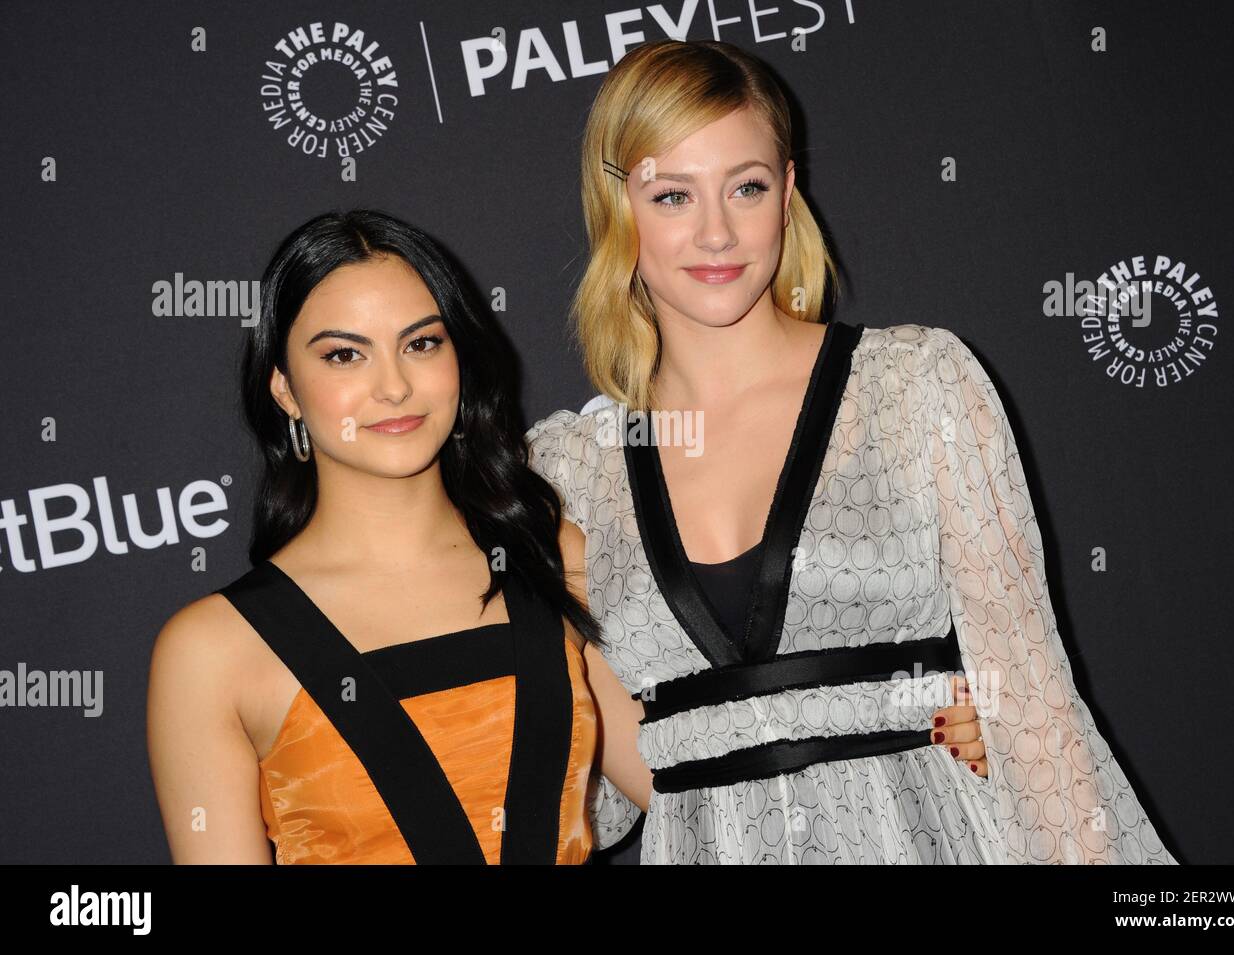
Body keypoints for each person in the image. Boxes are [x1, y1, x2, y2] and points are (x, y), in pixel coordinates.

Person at [525, 39, 1178, 863]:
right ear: (617, 205)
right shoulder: (570, 471)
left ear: (789, 191)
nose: (717, 232)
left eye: (747, 187)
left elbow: (1034, 703)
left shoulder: (914, 385)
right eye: (673, 196)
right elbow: (620, 767)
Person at [147, 209, 626, 864]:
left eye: (422, 343)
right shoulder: (212, 649)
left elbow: (694, 785)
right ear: (284, 388)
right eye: (345, 354)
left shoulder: (555, 558)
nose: (395, 386)